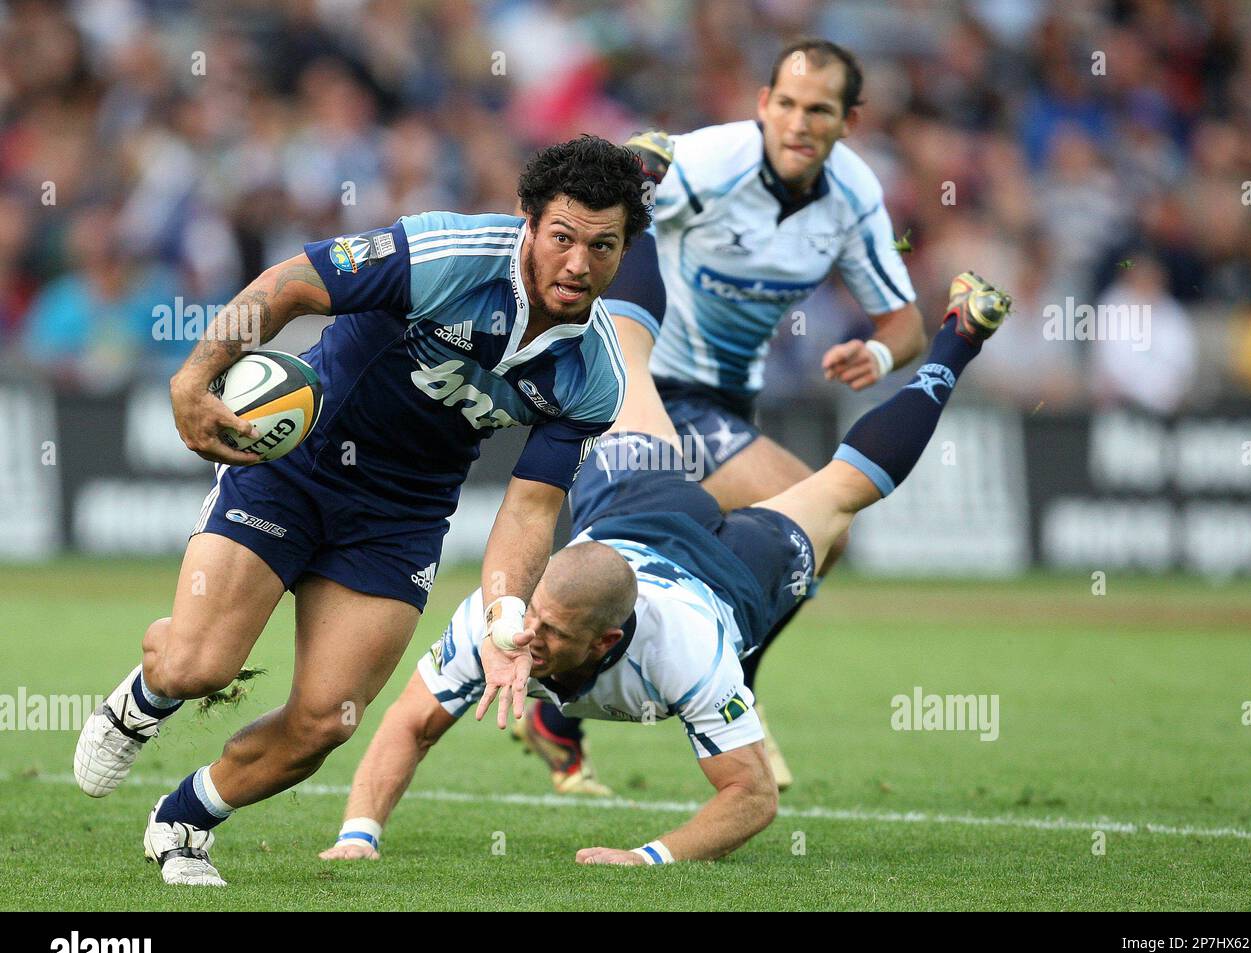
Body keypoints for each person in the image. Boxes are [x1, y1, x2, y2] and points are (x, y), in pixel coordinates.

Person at [73, 136, 651, 886]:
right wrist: (196, 376)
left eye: (601, 247)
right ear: (527, 222)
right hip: (295, 463)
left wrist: (507, 613)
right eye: (563, 237)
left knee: (326, 721)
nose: (578, 263)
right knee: (197, 664)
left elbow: (531, 509)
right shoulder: (446, 253)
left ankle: (184, 819)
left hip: (402, 515)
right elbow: (288, 287)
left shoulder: (596, 374)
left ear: (623, 249)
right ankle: (148, 694)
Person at [319, 273, 1009, 865]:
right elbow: (408, 723)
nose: (527, 638)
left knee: (843, 491)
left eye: (550, 633)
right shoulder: (504, 617)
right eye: (532, 618)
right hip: (631, 511)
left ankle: (959, 337)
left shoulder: (686, 654)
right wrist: (359, 832)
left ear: (605, 643)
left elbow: (753, 797)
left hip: (733, 571)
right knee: (626, 352)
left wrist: (651, 856)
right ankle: (642, 180)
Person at [518, 38, 926, 793]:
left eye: (821, 111)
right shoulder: (709, 163)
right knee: (819, 512)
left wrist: (879, 353)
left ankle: (564, 709)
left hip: (728, 398)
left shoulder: (855, 196)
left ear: (848, 121)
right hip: (652, 379)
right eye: (789, 104)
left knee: (804, 543)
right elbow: (609, 215)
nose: (800, 123)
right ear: (764, 103)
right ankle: (729, 692)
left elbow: (907, 322)